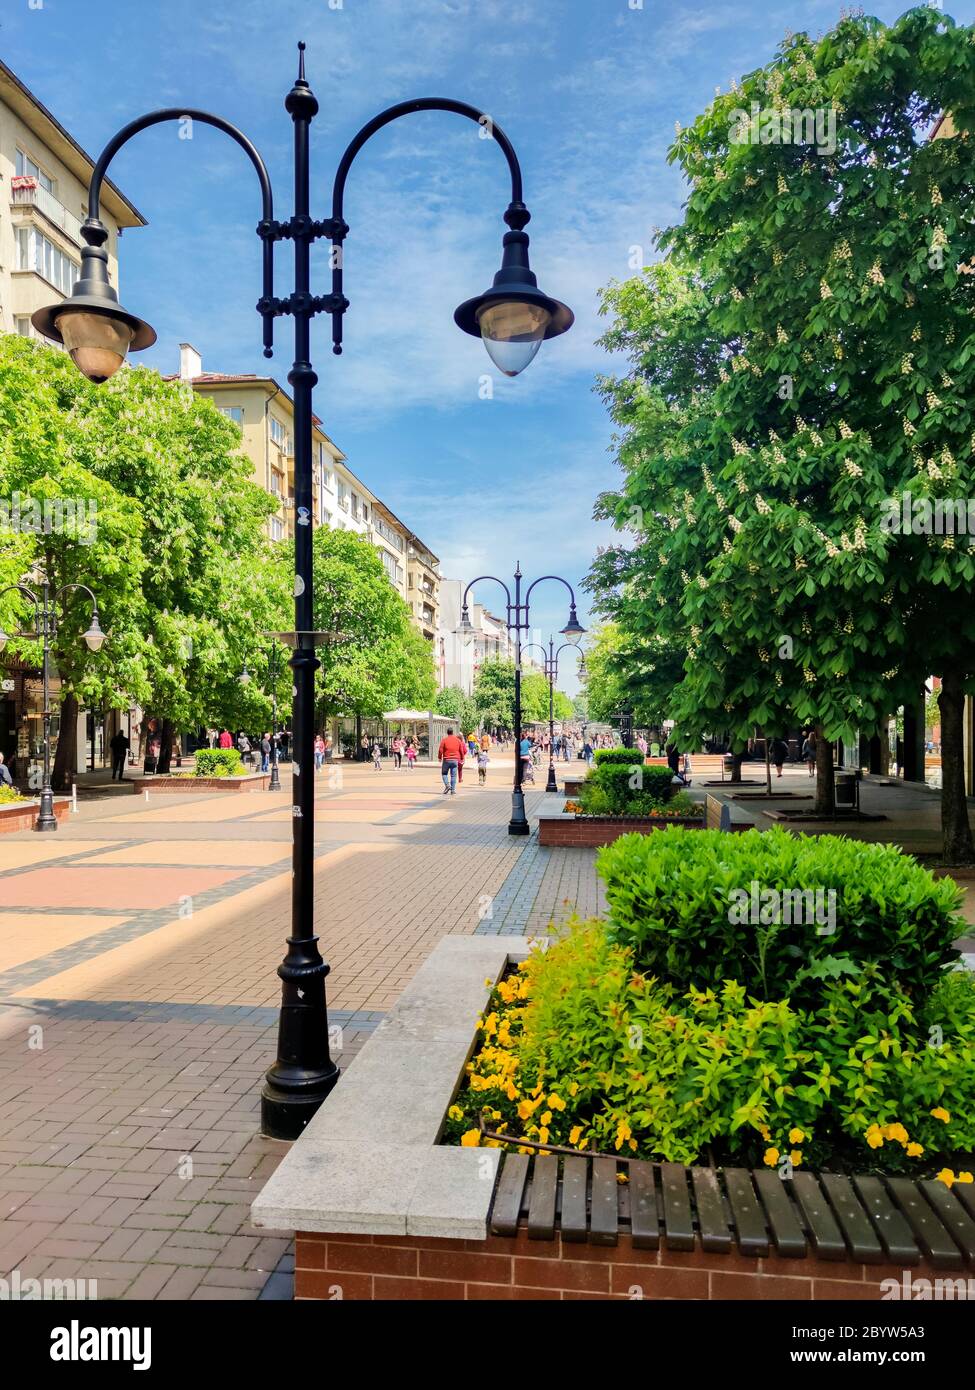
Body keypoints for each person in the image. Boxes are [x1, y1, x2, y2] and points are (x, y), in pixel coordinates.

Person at [437, 726, 465, 795]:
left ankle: (447, 785)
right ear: (453, 732)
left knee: (444, 773)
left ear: (447, 732)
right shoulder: (457, 740)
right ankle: (453, 790)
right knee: (453, 776)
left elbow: (440, 750)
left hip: (446, 759)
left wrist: (440, 757)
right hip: (455, 760)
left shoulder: (444, 740)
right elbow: (461, 750)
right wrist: (462, 758)